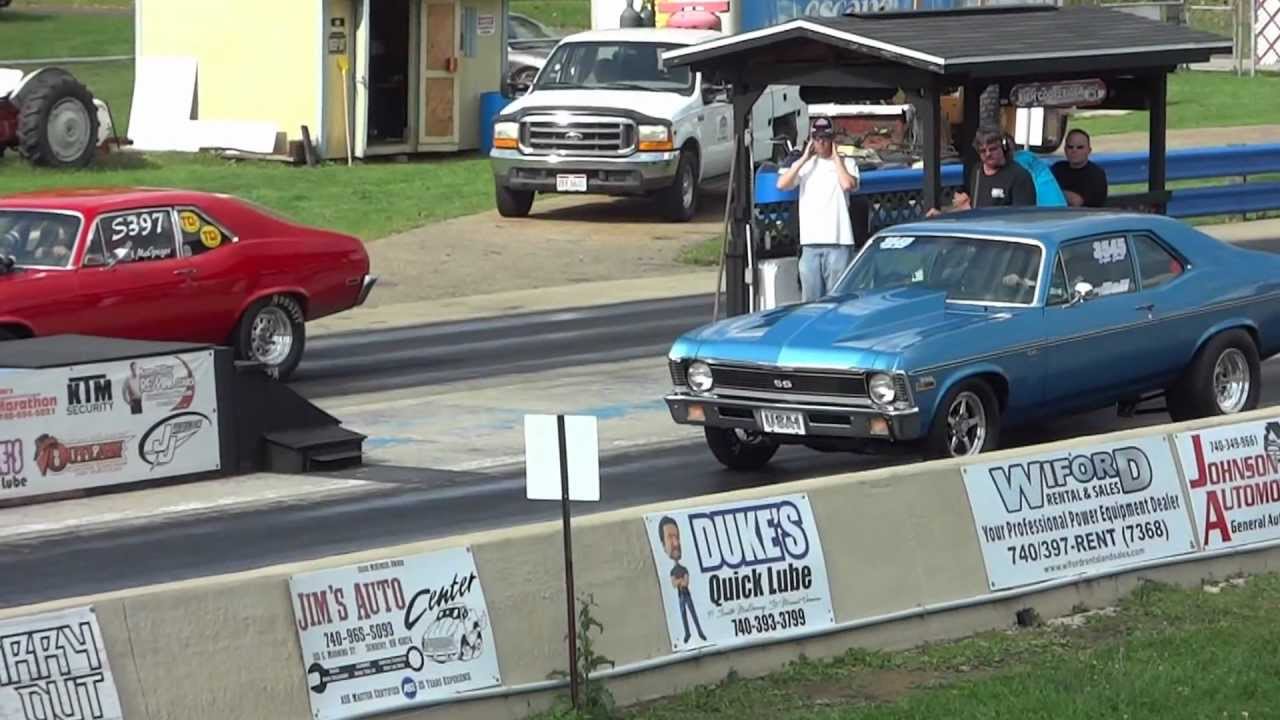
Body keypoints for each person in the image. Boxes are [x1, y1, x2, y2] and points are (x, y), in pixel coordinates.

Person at [775, 116, 860, 302]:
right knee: (811, 302)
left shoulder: (848, 164)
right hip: (810, 244)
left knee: (837, 301)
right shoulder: (804, 166)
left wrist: (837, 157)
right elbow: (782, 184)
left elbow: (847, 184)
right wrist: (805, 157)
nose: (821, 142)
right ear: (812, 140)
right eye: (817, 138)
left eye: (825, 138)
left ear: (832, 139)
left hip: (839, 243)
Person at [929, 128, 1036, 216]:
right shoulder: (977, 171)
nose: (988, 154)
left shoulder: (1019, 176)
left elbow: (1022, 218)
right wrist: (942, 215)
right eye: (983, 151)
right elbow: (972, 208)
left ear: (1004, 148)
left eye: (993, 149)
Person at [658, 515, 706, 644]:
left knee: (693, 614)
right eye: (670, 538)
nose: (676, 543)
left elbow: (685, 581)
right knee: (683, 615)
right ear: (662, 545)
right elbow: (675, 583)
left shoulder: (683, 568)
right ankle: (687, 633)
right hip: (681, 596)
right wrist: (680, 582)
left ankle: (700, 631)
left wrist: (680, 582)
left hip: (686, 595)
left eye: (677, 537)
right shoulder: (673, 571)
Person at [1051, 129, 1109, 207]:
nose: (1074, 150)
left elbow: (1076, 202)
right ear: (1065, 150)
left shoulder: (1096, 175)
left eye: (1080, 147)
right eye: (1070, 147)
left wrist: (1052, 191)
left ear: (1089, 150)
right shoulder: (1057, 168)